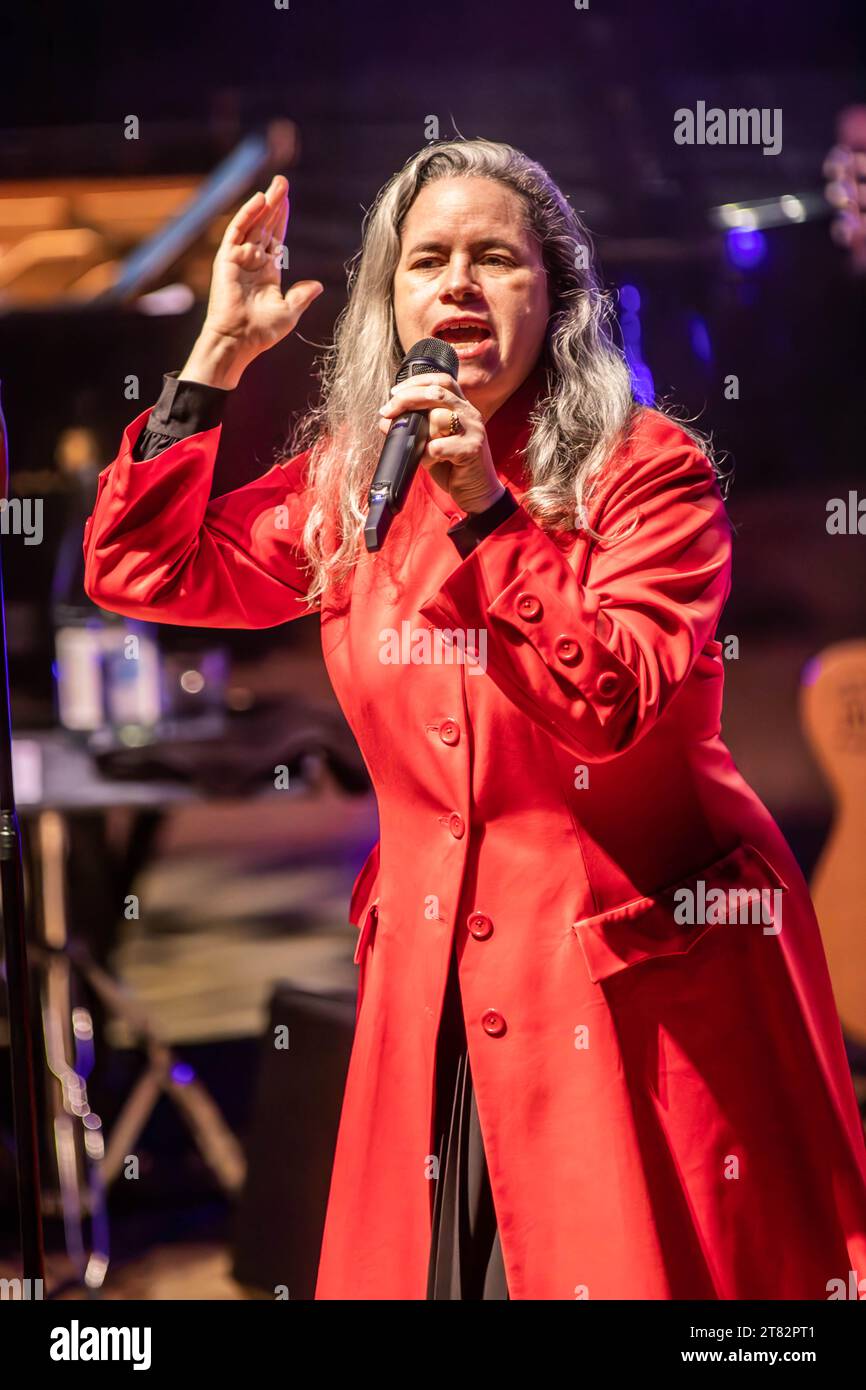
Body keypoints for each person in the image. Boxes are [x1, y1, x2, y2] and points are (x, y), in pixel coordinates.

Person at [84, 138, 866, 1301]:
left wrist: (487, 519)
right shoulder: (357, 481)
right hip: (435, 974)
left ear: (553, 299)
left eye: (493, 257)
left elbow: (609, 703)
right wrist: (213, 359)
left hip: (626, 985)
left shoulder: (647, 476)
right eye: (425, 260)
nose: (454, 284)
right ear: (387, 303)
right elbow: (141, 571)